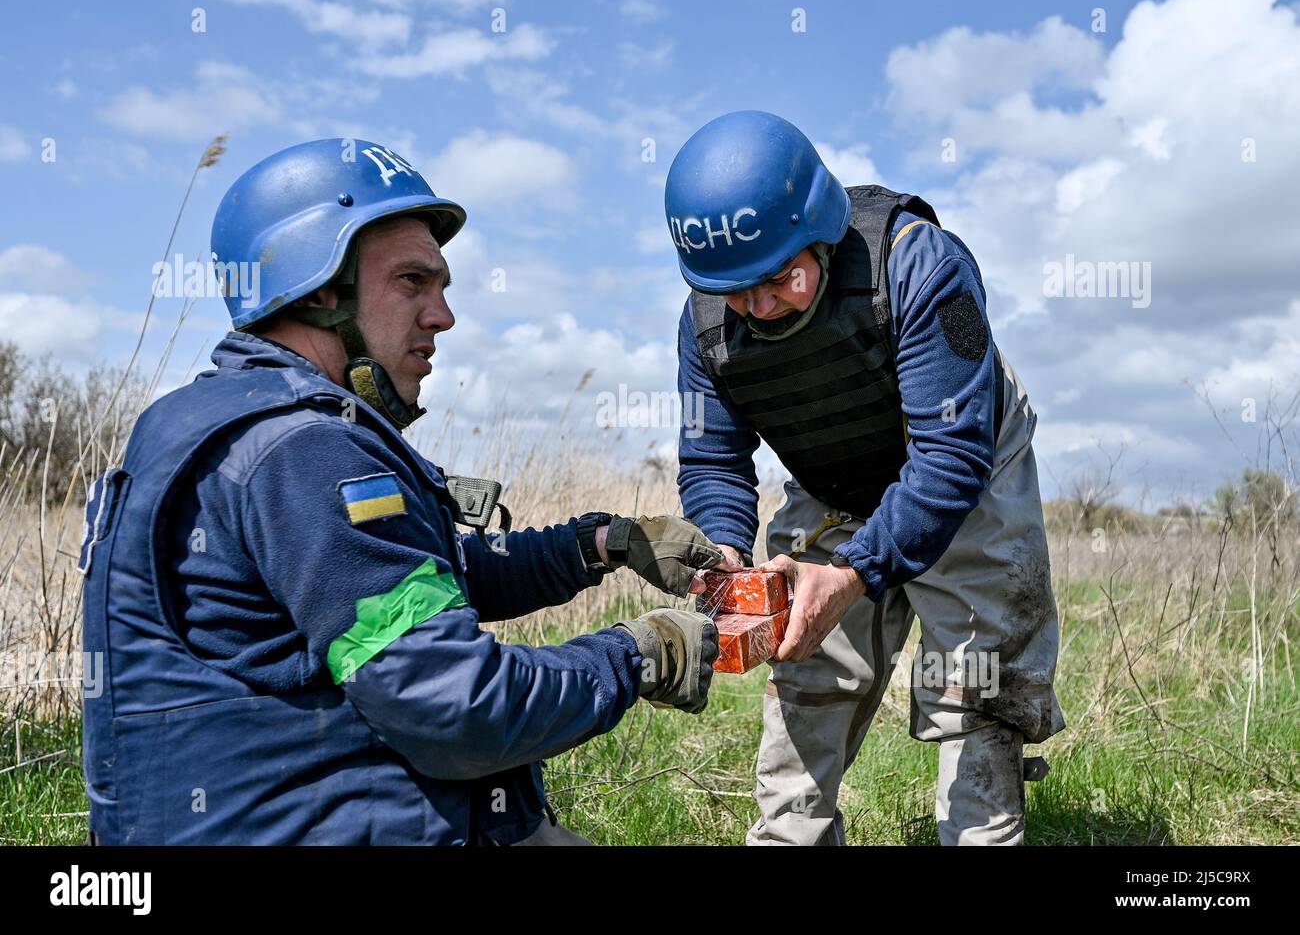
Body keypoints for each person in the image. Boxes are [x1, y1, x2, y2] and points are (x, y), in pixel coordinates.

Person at [79, 138, 722, 845]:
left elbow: (408, 578)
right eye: (414, 283)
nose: (443, 316)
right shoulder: (302, 452)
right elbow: (459, 710)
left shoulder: (220, 422)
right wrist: (637, 654)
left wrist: (598, 545)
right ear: (320, 289)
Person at [667, 111, 1064, 845]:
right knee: (809, 678)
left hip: (963, 468)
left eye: (779, 280)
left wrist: (856, 573)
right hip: (833, 485)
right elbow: (714, 461)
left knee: (975, 688)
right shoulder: (706, 325)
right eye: (737, 291)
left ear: (819, 233)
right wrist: (720, 552)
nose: (758, 307)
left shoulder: (921, 266)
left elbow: (950, 461)